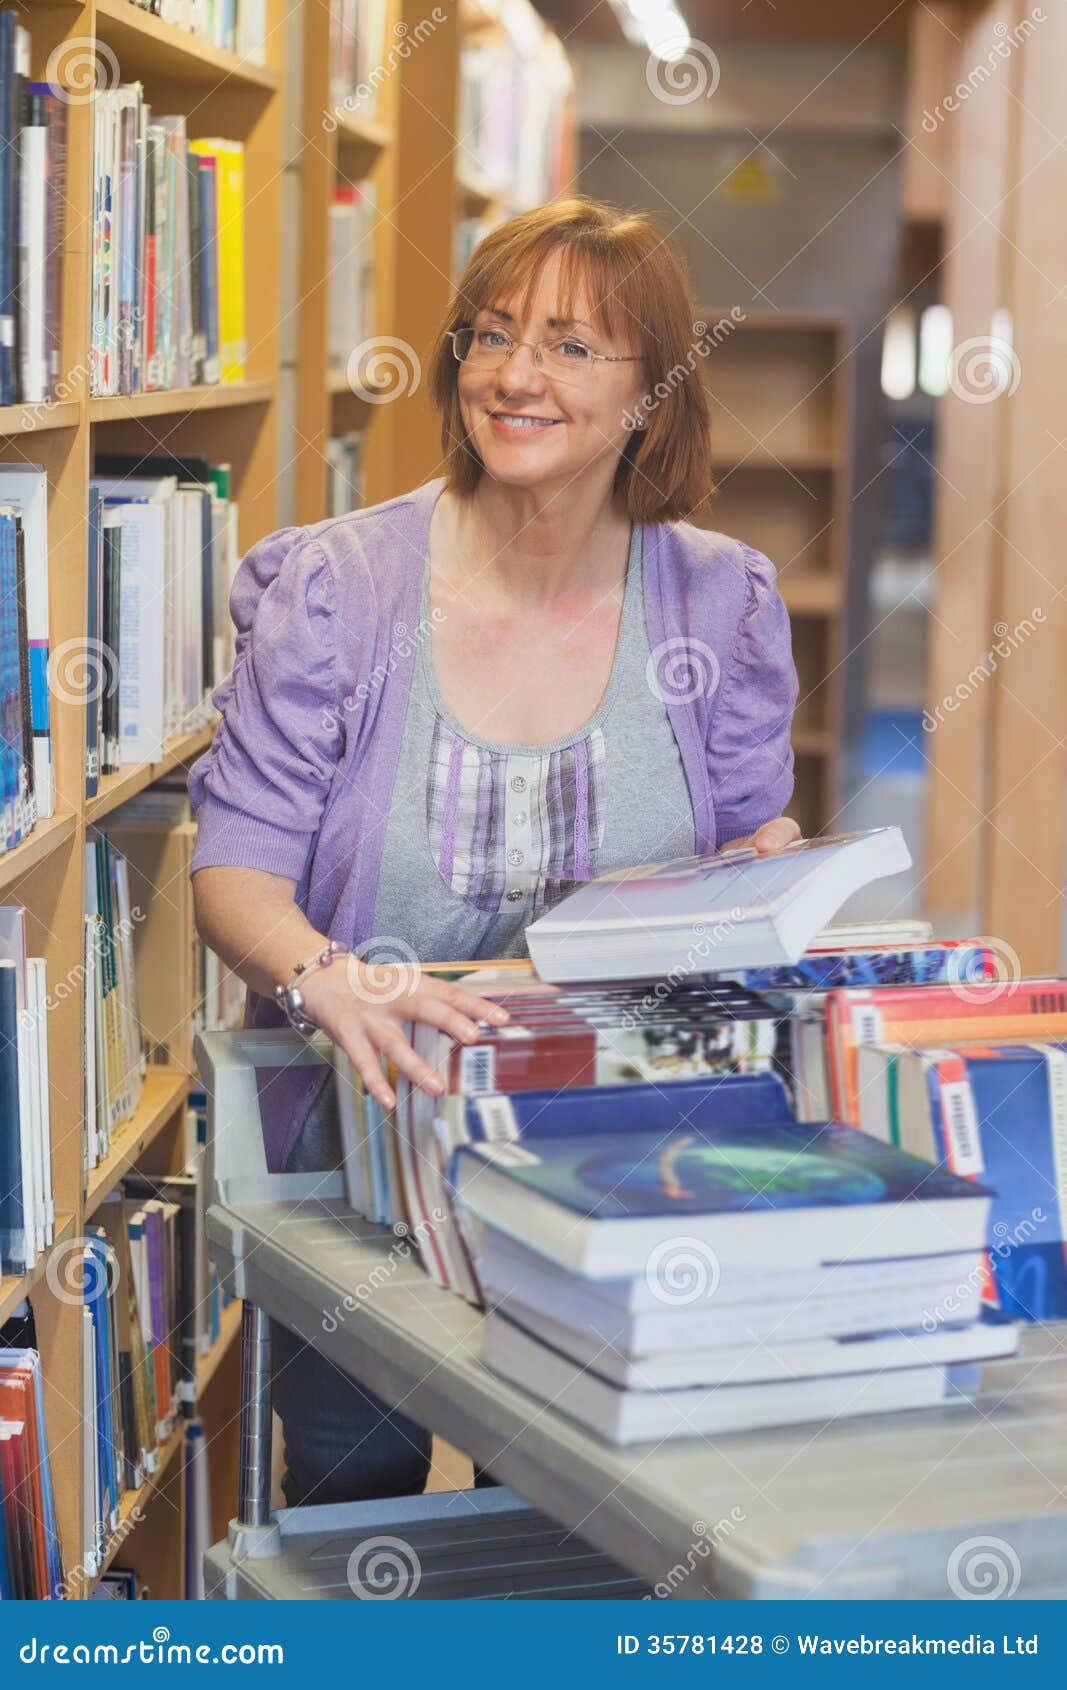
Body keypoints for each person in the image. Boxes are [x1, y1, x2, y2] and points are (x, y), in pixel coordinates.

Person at [188, 196, 800, 1507]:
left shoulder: (719, 600)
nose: (518, 373)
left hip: (623, 1168)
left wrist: (768, 867)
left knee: (592, 1533)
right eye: (495, 334)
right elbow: (232, 870)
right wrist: (325, 976)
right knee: (360, 1522)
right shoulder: (338, 589)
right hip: (354, 1167)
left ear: (654, 392)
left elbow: (751, 846)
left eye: (575, 347)